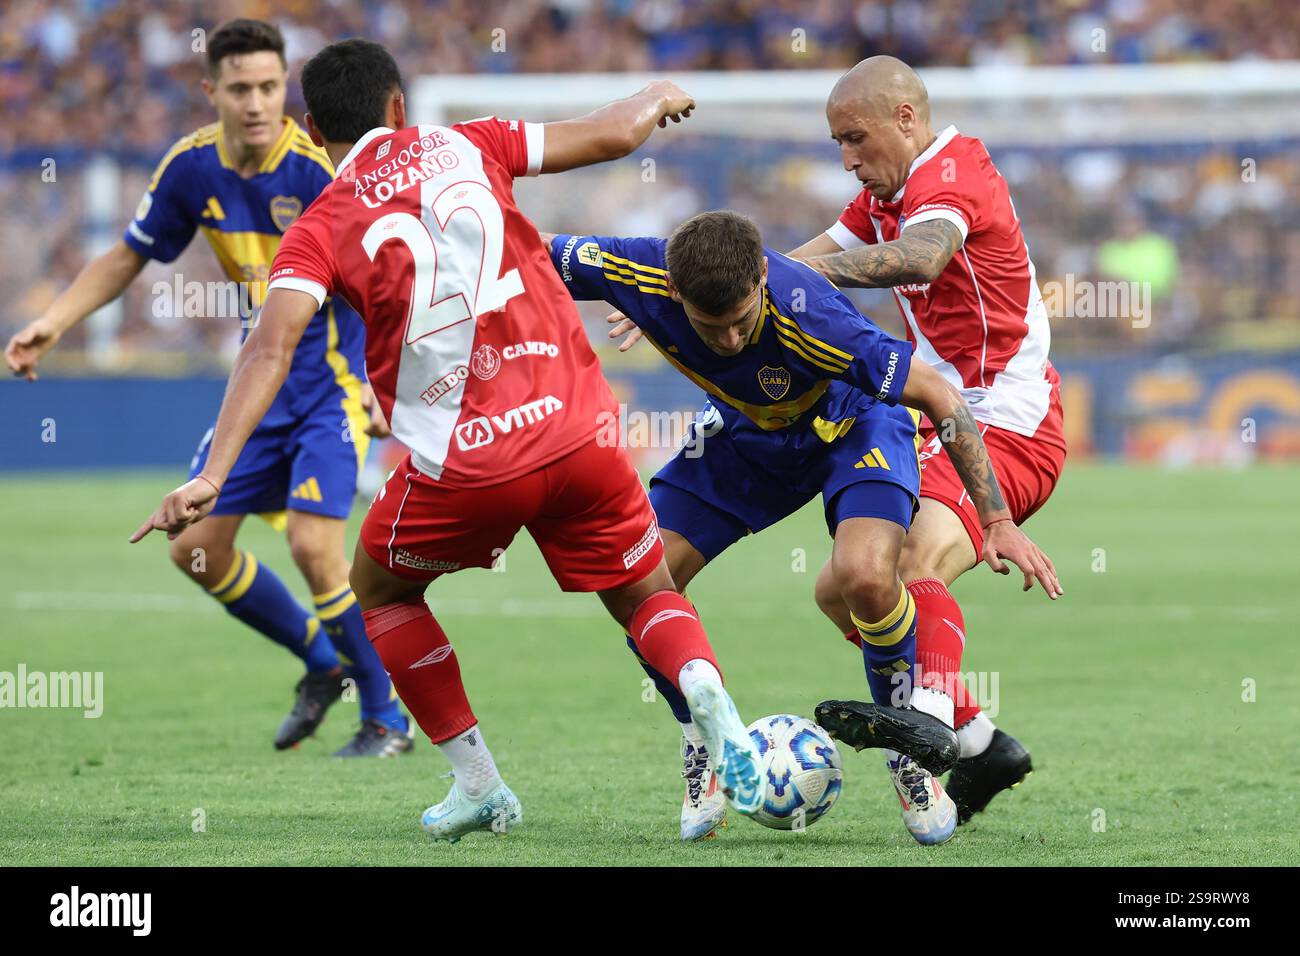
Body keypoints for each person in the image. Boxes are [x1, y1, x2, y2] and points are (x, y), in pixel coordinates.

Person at [129, 38, 764, 843]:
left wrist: (212, 474)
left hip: (470, 463)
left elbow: (269, 346)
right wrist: (657, 95)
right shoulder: (472, 140)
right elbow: (610, 134)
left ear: (313, 126)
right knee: (645, 595)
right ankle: (704, 684)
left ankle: (479, 783)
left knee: (382, 591)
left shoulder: (321, 224)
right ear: (400, 107)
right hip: (583, 430)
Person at [546, 210, 1059, 845]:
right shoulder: (636, 269)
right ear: (673, 291)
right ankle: (704, 740)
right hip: (742, 438)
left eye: (742, 319)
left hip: (854, 427)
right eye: (714, 326)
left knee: (866, 579)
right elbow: (517, 258)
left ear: (762, 275)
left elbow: (939, 396)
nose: (732, 340)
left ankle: (909, 756)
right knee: (634, 582)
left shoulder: (811, 313)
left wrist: (997, 518)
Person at [5, 19, 410, 757]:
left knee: (317, 547)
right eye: (240, 89)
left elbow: (395, 276)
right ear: (211, 91)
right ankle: (322, 664)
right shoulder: (191, 167)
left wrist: (388, 382)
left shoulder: (323, 169)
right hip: (259, 390)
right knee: (193, 549)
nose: (257, 103)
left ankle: (384, 716)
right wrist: (54, 321)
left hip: (333, 387)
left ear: (285, 87)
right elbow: (131, 254)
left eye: (269, 87)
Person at [792, 56, 1069, 824]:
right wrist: (710, 281)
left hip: (1008, 424)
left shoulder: (954, 173)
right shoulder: (884, 195)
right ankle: (983, 742)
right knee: (843, 589)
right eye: (837, 144)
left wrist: (795, 284)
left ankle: (934, 724)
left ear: (905, 120)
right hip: (940, 417)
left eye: (856, 138)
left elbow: (922, 257)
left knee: (913, 566)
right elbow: (798, 265)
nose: (848, 159)